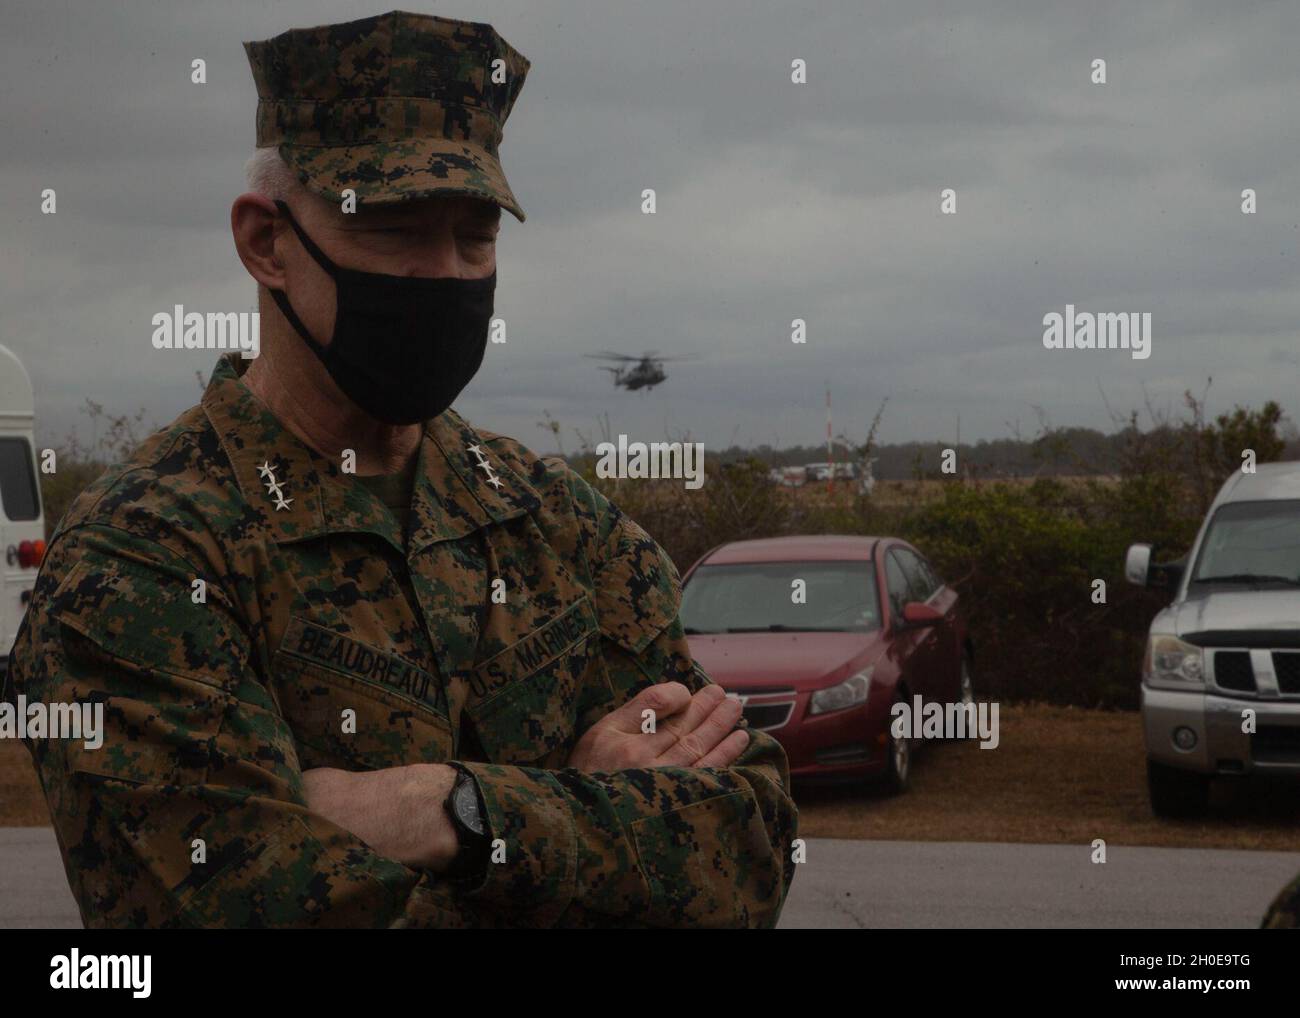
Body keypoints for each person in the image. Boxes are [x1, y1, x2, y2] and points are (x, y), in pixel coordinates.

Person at [4, 9, 797, 928]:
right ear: (266, 243)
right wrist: (590, 822)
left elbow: (747, 850)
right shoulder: (140, 557)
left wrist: (454, 810)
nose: (444, 274)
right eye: (395, 228)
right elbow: (246, 906)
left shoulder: (555, 522)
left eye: (476, 235)